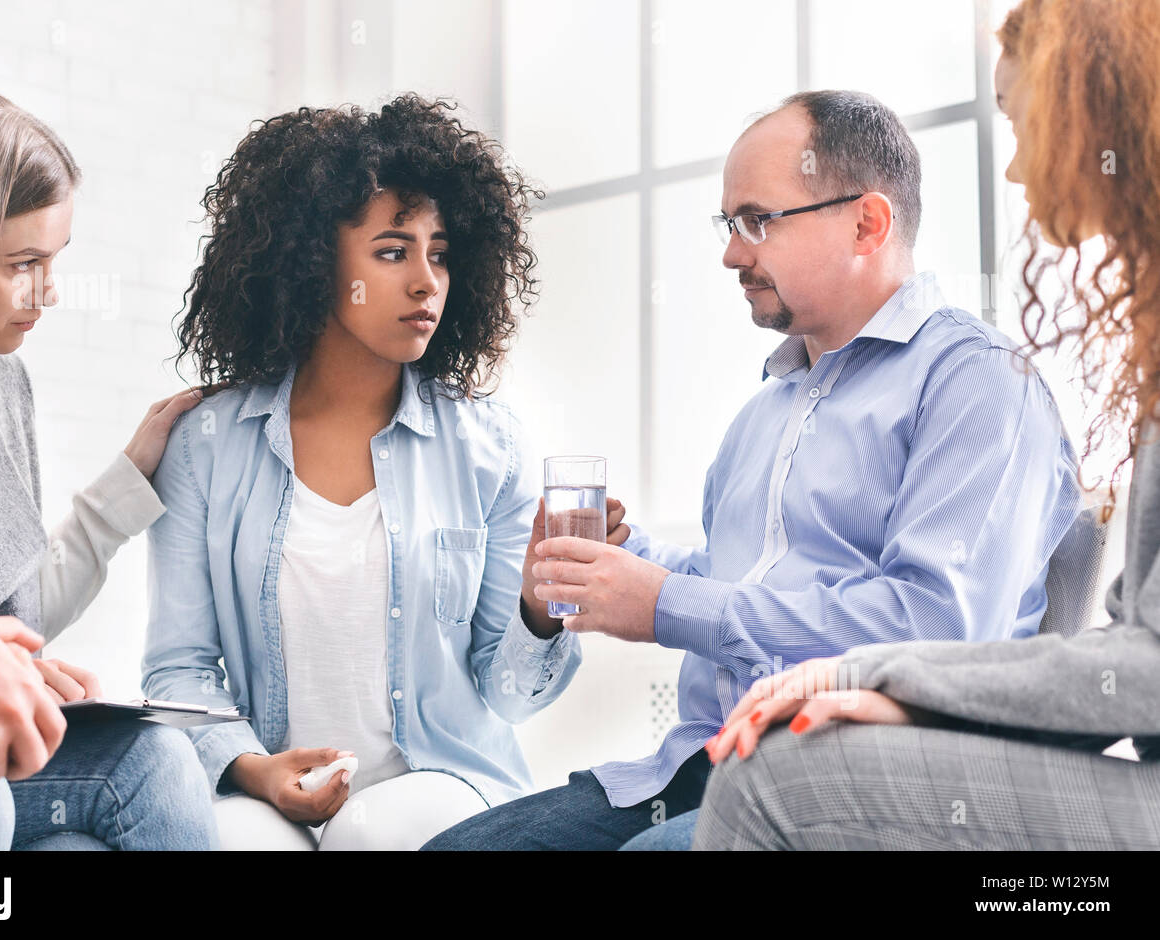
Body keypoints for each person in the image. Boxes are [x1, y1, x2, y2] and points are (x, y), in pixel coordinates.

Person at [423, 88, 1082, 851]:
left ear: (867, 223)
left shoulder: (979, 381)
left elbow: (934, 631)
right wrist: (620, 565)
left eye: (757, 221)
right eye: (729, 225)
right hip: (712, 759)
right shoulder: (766, 412)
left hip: (876, 777)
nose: (733, 254)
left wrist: (666, 603)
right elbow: (739, 580)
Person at [691, 0, 1160, 851]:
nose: (1015, 168)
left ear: (1101, 116)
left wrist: (889, 678)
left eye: (1024, 125)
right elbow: (1134, 658)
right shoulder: (765, 409)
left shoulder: (971, 376)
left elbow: (1141, 675)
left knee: (768, 782)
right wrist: (909, 696)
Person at [143, 95, 602, 850]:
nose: (427, 281)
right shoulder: (205, 446)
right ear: (312, 262)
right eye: (393, 252)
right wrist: (254, 771)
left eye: (440, 253)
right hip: (267, 789)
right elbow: (177, 671)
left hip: (442, 782)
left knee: (370, 831)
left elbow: (512, 698)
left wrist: (539, 609)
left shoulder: (490, 448)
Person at [0, 87, 217, 850]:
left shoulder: (0, 387)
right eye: (24, 264)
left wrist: (21, 673)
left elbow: (10, 617)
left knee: (156, 761)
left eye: (55, 261)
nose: (49, 292)